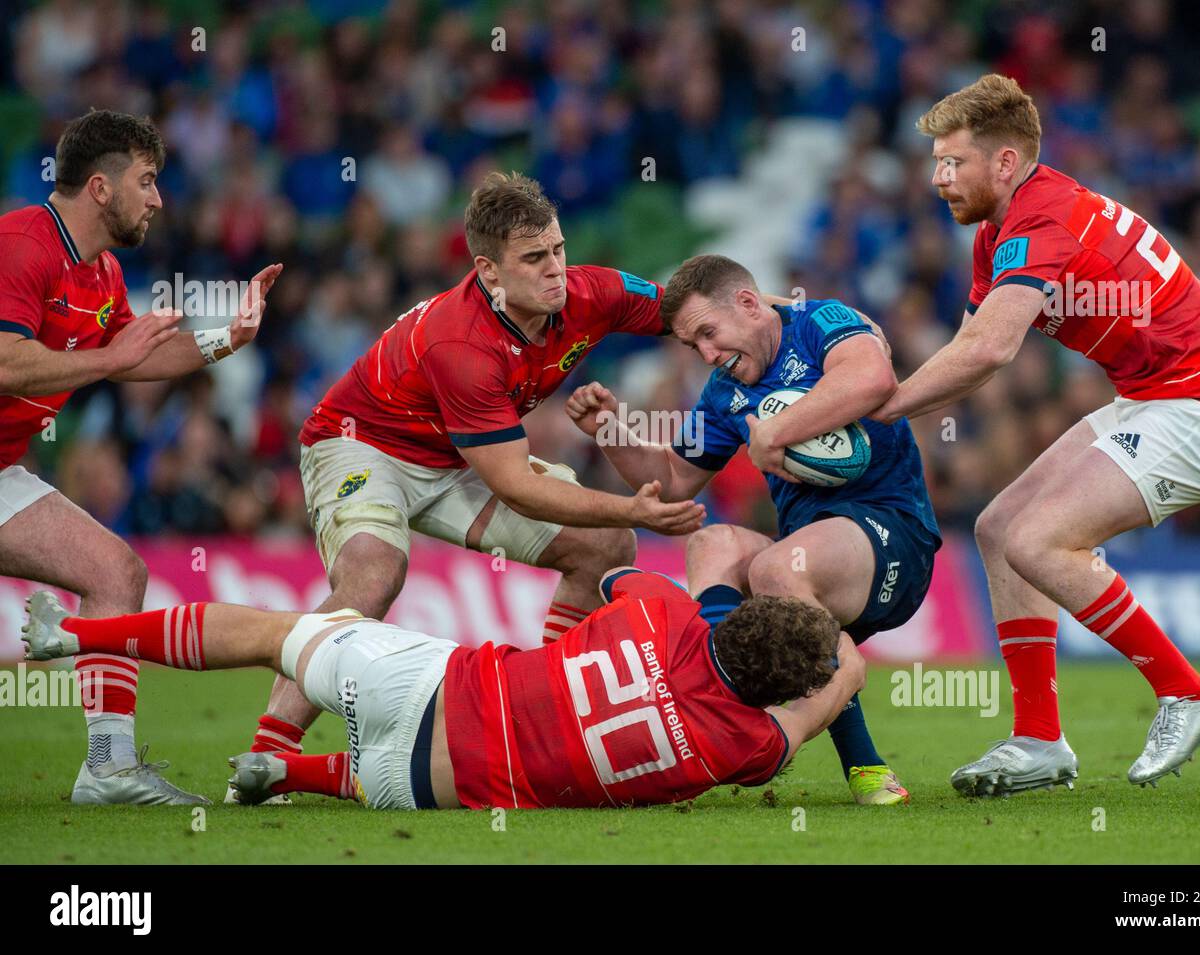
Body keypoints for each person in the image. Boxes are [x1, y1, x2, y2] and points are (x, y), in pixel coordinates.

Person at [231, 172, 706, 800]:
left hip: (459, 456)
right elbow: (517, 486)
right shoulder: (462, 342)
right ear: (488, 271)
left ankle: (543, 711)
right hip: (364, 444)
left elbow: (696, 306)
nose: (556, 271)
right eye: (534, 259)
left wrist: (785, 320)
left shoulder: (592, 292)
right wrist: (635, 506)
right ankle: (267, 756)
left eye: (558, 250)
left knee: (602, 545)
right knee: (373, 577)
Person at [870, 74, 1200, 794]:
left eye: (953, 162)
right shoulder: (999, 232)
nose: (938, 179)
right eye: (935, 163)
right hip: (1153, 399)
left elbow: (992, 350)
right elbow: (970, 347)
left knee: (1038, 540)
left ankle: (1188, 690)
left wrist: (880, 408)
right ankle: (1040, 741)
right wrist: (892, 405)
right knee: (998, 527)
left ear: (1006, 163)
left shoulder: (1044, 219)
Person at [21, 561, 865, 810]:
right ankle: (291, 773)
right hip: (436, 786)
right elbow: (840, 681)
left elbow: (611, 573)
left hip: (431, 686)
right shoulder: (750, 747)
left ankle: (77, 635)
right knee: (412, 774)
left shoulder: (669, 613)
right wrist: (836, 655)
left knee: (269, 635)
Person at [566, 254, 942, 806]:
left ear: (747, 303)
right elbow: (671, 481)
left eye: (709, 334)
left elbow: (873, 376)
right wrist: (609, 430)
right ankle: (720, 720)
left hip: (894, 537)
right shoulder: (723, 393)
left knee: (775, 566)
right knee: (711, 542)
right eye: (694, 346)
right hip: (807, 557)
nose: (708, 354)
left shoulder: (822, 323)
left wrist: (774, 434)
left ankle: (864, 766)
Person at [0, 109, 281, 805]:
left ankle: (108, 768)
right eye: (148, 181)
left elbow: (136, 360)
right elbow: (5, 361)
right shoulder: (20, 243)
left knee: (115, 572)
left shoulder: (103, 273)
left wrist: (227, 340)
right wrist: (107, 356)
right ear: (100, 187)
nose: (158, 198)